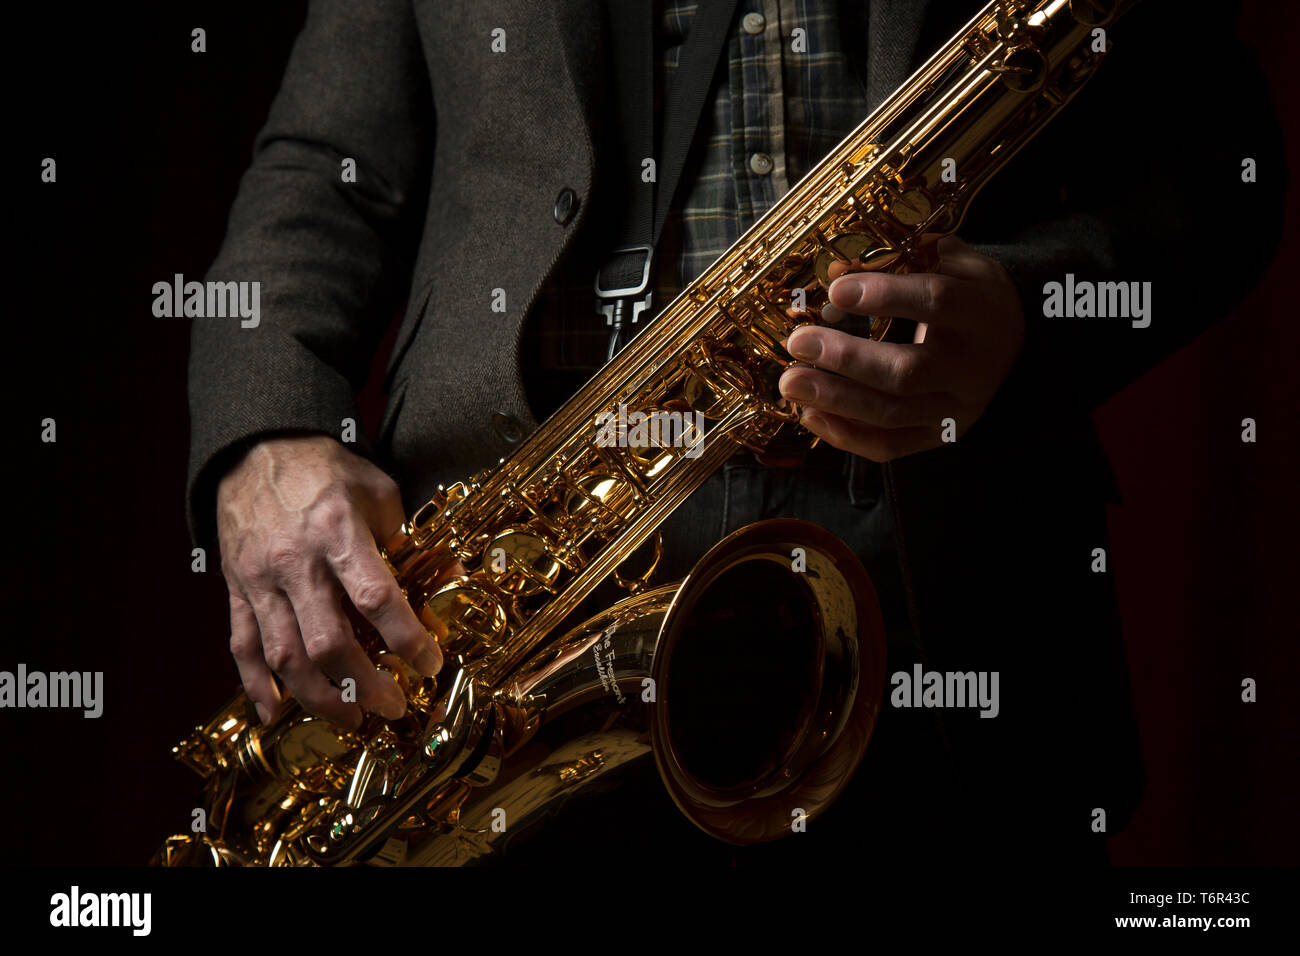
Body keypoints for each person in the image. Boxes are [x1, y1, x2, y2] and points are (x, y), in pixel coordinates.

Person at [188, 0, 1283, 865]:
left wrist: (1027, 306)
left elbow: (1214, 166)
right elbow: (322, 165)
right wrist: (264, 436)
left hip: (944, 598)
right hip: (504, 597)